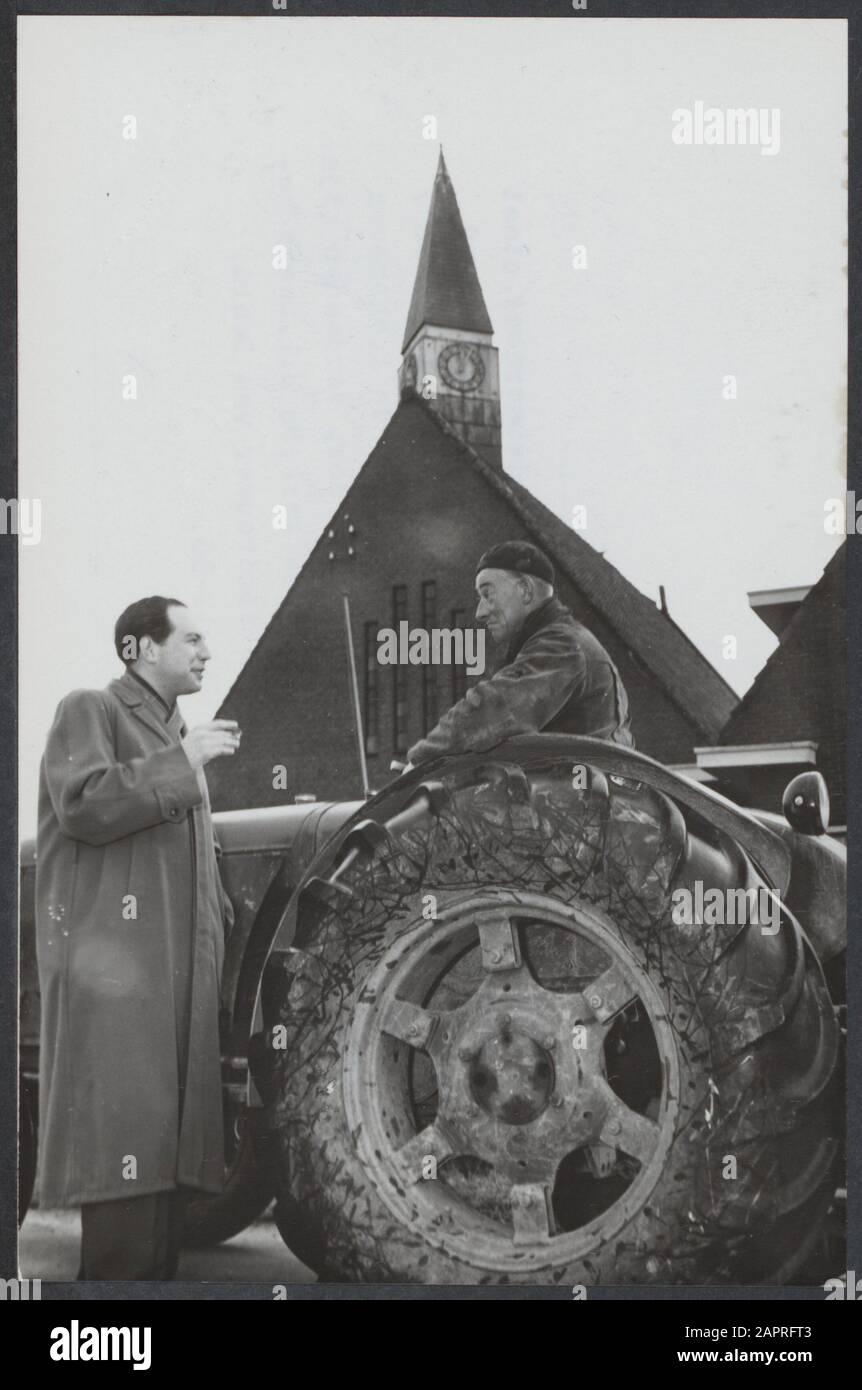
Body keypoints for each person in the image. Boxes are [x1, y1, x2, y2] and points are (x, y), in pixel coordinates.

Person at [35, 596, 240, 1280]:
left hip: (175, 985)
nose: (206, 652)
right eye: (192, 639)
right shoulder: (90, 709)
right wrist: (184, 761)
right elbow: (84, 804)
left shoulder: (172, 733)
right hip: (120, 982)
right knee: (124, 1173)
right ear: (143, 649)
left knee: (160, 1185)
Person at [407, 540, 634, 766]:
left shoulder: (562, 645)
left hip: (582, 783)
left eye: (488, 594)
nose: (480, 612)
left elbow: (491, 711)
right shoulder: (557, 640)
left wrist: (418, 761)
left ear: (525, 590)